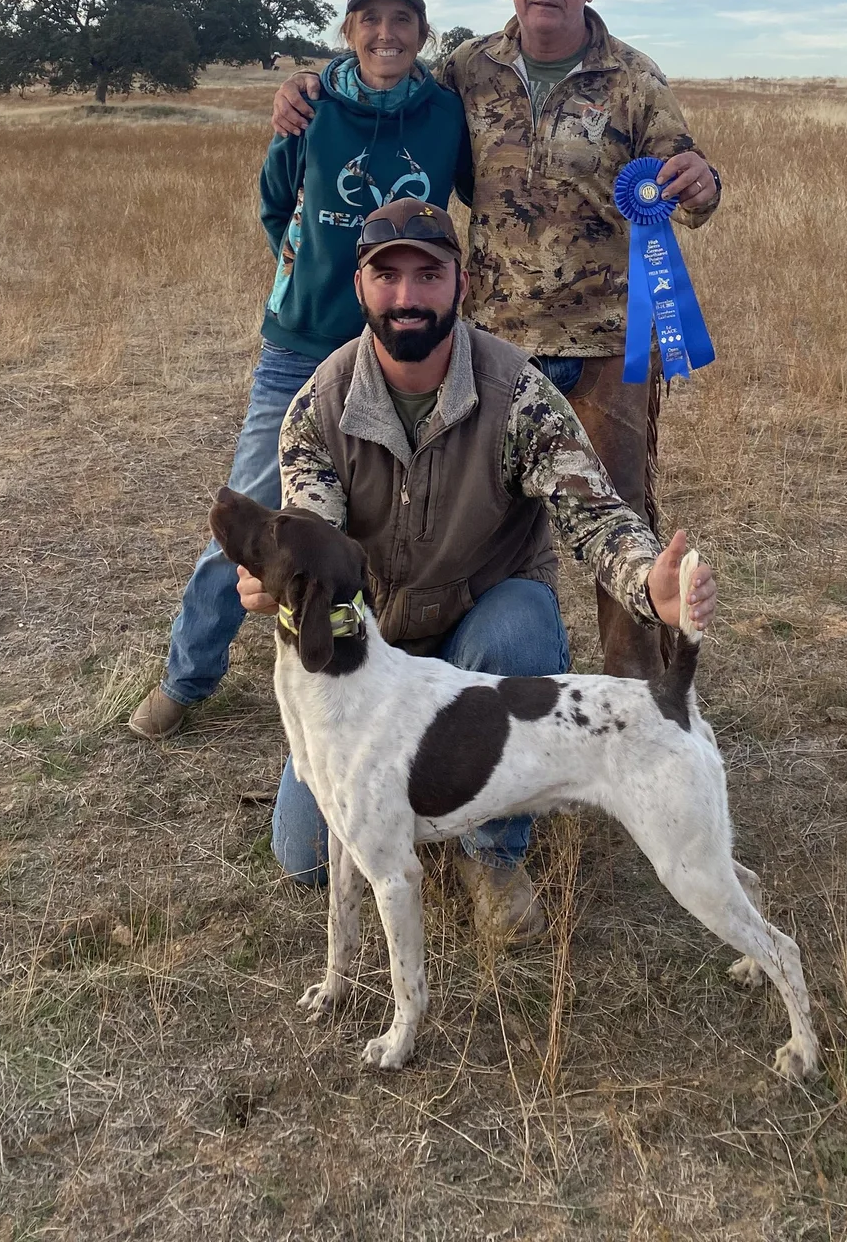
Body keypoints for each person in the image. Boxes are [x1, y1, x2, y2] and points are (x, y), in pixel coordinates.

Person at [233, 197, 717, 939]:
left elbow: (594, 515)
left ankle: (493, 849)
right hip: (379, 656)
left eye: (428, 275)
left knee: (522, 626)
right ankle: (458, 790)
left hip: (487, 623)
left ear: (461, 284)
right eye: (385, 276)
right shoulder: (319, 404)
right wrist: (277, 589)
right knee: (304, 854)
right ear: (359, 286)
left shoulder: (516, 390)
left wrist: (650, 585)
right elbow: (313, 544)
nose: (406, 296)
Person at [271, 0, 721, 679]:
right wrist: (310, 86)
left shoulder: (636, 78)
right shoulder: (466, 68)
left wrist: (703, 183)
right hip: (489, 345)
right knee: (461, 524)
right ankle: (461, 675)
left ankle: (636, 703)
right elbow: (387, 90)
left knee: (617, 521)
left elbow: (688, 184)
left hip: (606, 346)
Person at [130, 0, 470, 740]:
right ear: (348, 31)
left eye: (402, 20)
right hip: (299, 347)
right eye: (369, 20)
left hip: (401, 346)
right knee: (253, 509)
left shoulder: (449, 114)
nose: (387, 34)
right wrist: (304, 273)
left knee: (412, 512)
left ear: (422, 32)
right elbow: (275, 202)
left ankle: (394, 671)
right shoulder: (310, 106)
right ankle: (187, 678)